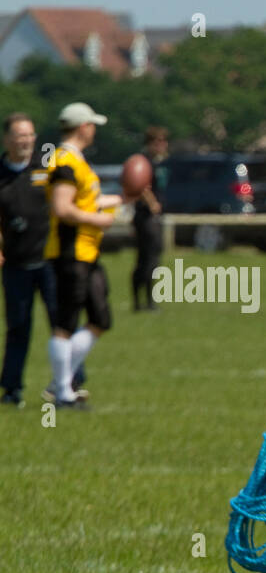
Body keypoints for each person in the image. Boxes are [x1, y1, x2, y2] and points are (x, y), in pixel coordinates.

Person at [42, 102, 123, 409]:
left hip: (86, 252)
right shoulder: (64, 162)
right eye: (92, 125)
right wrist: (98, 220)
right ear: (82, 127)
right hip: (68, 252)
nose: (94, 130)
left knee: (100, 318)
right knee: (65, 323)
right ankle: (63, 391)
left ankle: (60, 382)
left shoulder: (77, 161)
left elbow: (86, 200)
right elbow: (62, 209)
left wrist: (119, 199)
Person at [0, 112, 57, 407]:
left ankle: (70, 383)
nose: (26, 141)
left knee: (61, 324)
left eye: (30, 135)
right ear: (7, 138)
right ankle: (11, 389)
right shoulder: (0, 173)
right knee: (18, 327)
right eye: (20, 135)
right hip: (16, 263)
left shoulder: (45, 167)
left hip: (49, 261)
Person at [131, 126, 167, 312]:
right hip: (145, 217)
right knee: (147, 260)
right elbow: (140, 185)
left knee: (153, 259)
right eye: (158, 141)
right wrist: (152, 203)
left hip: (153, 217)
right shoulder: (144, 162)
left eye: (163, 141)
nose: (162, 145)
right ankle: (142, 302)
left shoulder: (158, 163)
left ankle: (148, 301)